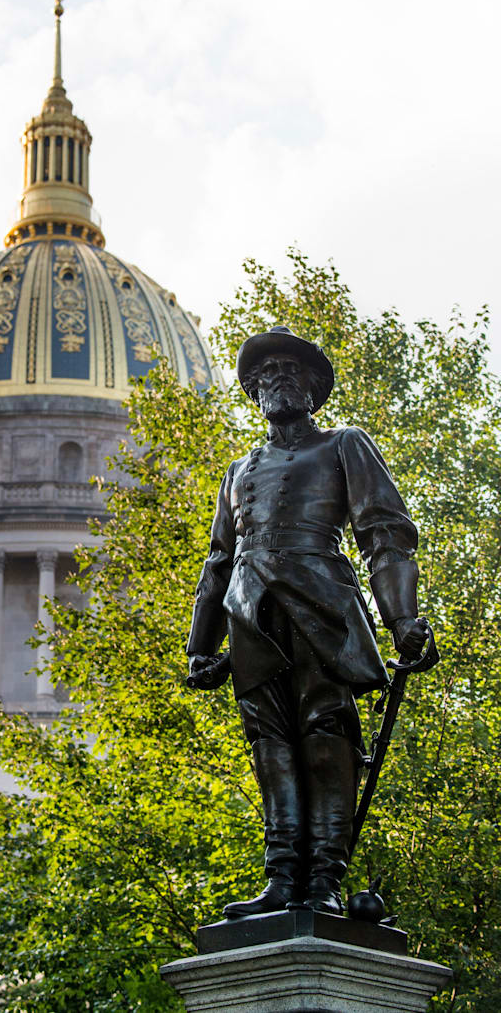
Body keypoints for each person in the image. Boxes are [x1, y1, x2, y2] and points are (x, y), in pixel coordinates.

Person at [186, 326, 428, 917]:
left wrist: (402, 622)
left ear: (315, 387)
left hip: (324, 606)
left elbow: (384, 533)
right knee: (270, 744)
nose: (278, 382)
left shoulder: (344, 444)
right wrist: (200, 646)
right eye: (266, 375)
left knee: (326, 737)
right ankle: (281, 876)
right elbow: (218, 561)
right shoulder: (238, 470)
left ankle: (324, 878)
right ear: (252, 392)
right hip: (252, 614)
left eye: (291, 371)